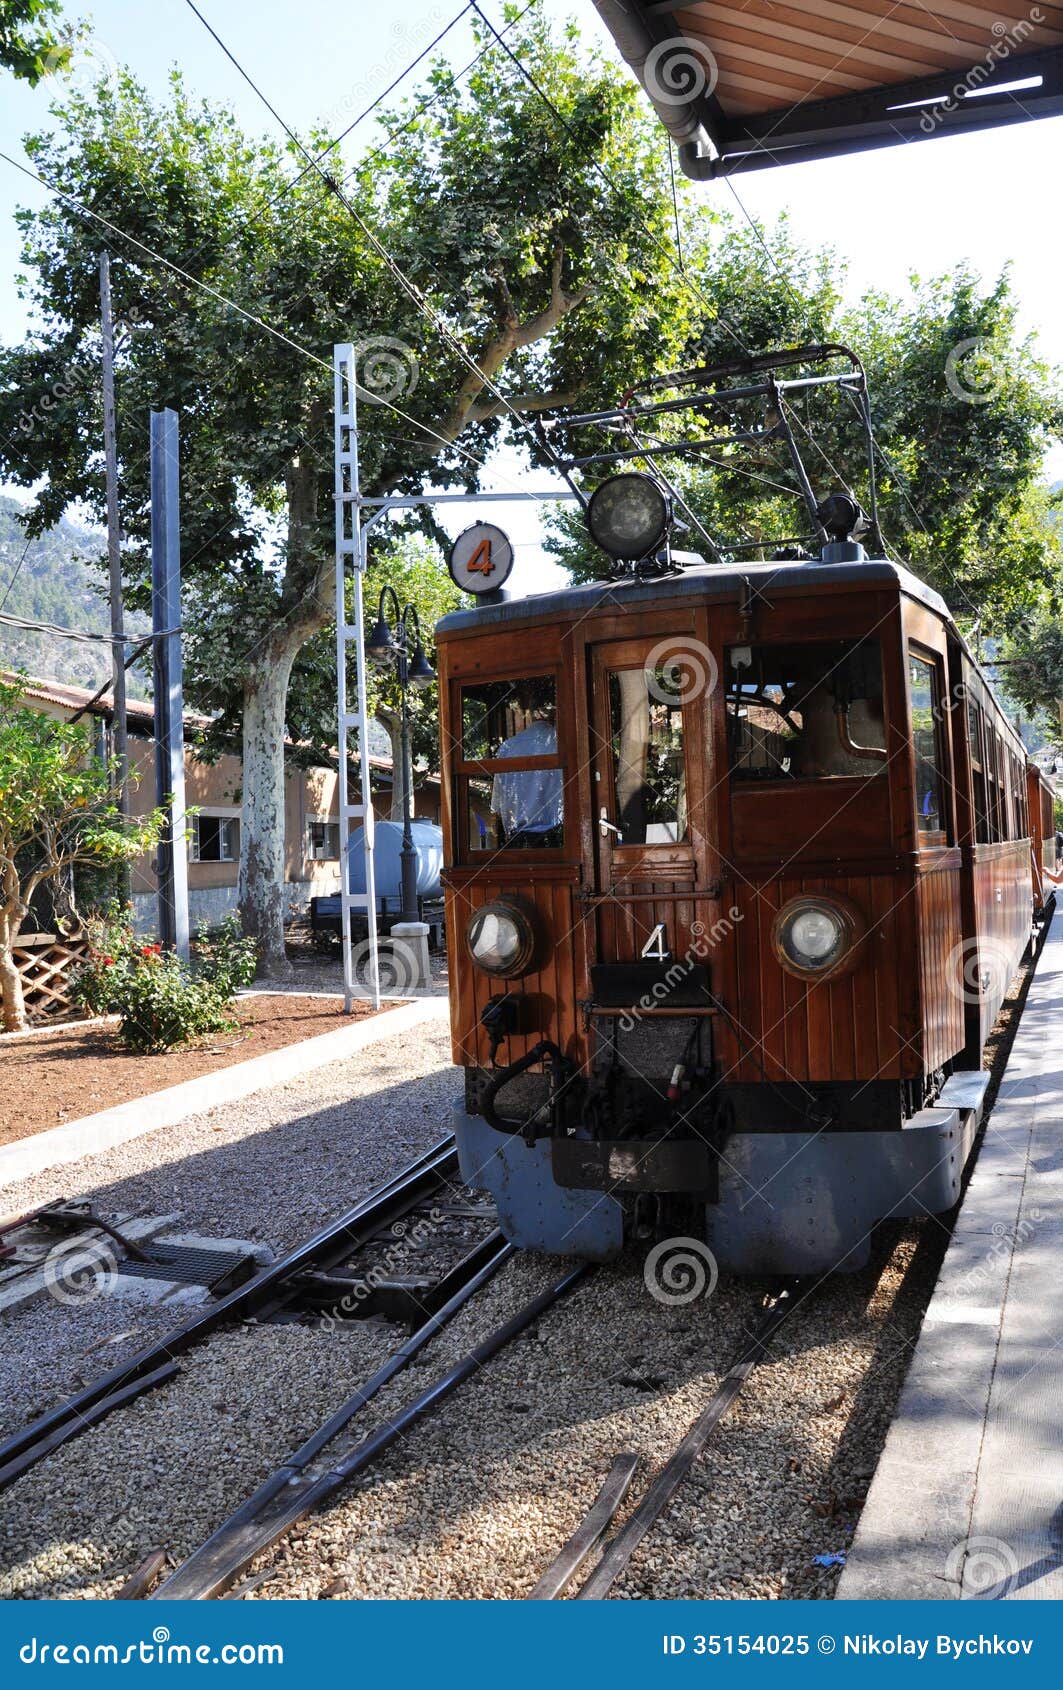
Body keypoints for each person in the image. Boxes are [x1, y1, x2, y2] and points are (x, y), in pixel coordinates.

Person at [490, 681, 563, 847]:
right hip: (556, 841)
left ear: (530, 713)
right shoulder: (562, 743)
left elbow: (498, 806)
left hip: (518, 842)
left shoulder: (508, 747)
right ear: (555, 712)